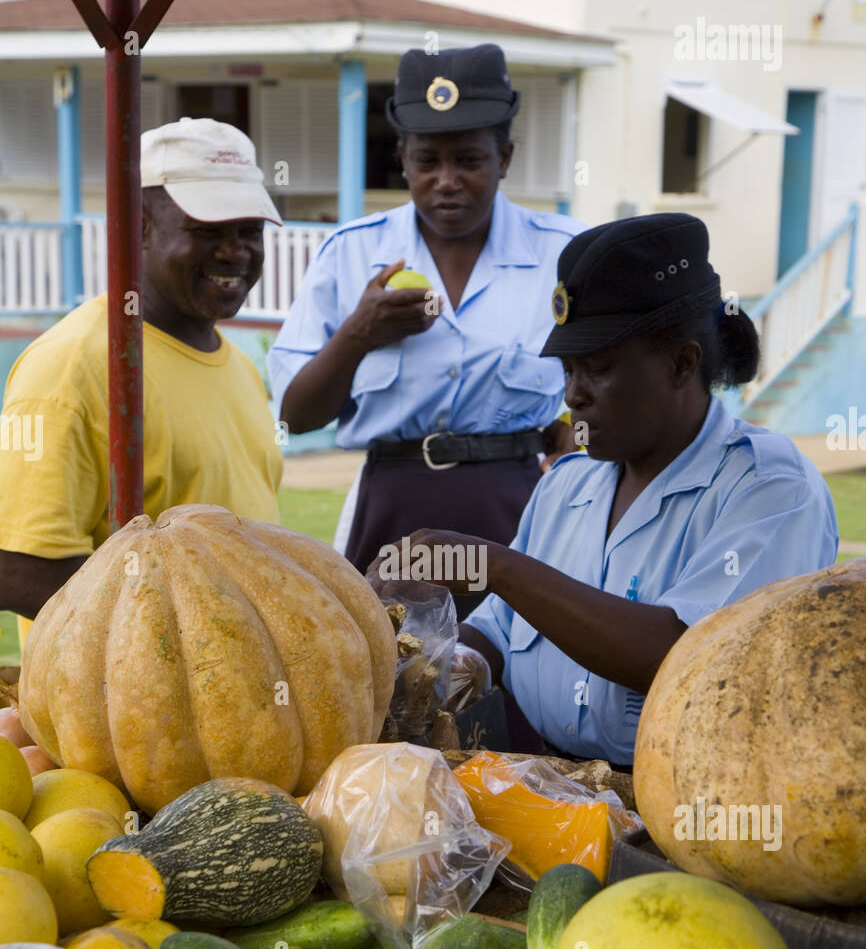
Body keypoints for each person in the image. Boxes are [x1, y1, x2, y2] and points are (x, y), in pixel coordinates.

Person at [385, 213, 839, 766]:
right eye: (568, 370)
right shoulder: (568, 485)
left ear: (681, 362)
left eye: (597, 368)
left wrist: (495, 565)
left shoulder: (769, 488)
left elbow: (687, 655)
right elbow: (501, 631)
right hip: (552, 786)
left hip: (694, 805)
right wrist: (456, 665)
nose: (574, 395)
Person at [268, 43, 584, 613]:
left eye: (468, 159)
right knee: (388, 681)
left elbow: (602, 382)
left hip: (517, 507)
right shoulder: (352, 253)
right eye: (426, 161)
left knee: (514, 676)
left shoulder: (564, 254)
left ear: (504, 157)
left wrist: (571, 435)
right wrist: (358, 334)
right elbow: (296, 415)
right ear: (402, 159)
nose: (446, 181)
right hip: (393, 505)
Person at [0, 118, 283, 642]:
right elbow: (18, 567)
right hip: (128, 714)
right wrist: (186, 639)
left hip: (244, 704)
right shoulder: (72, 366)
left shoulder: (239, 366)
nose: (235, 251)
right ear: (139, 228)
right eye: (207, 230)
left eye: (249, 231)